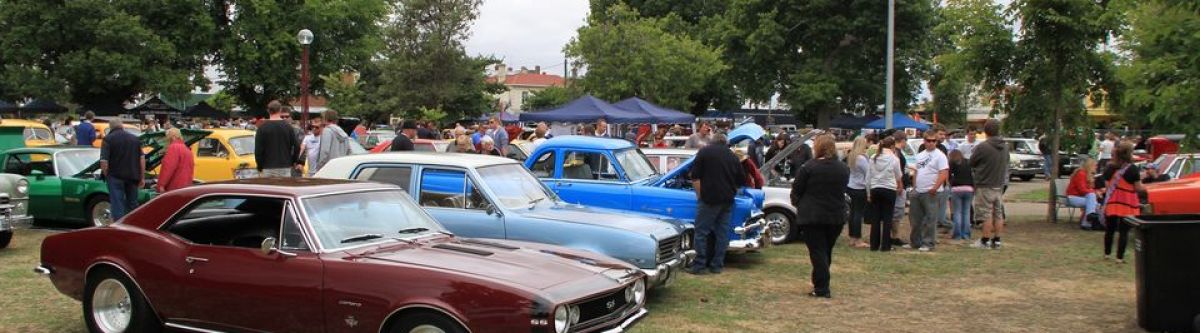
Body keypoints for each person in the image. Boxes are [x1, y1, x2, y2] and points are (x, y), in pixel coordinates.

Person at [790, 134, 850, 298]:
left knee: (817, 251)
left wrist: (799, 204)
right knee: (826, 251)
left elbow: (796, 190)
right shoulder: (843, 168)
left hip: (813, 215)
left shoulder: (809, 167)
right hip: (835, 214)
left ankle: (822, 287)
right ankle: (820, 283)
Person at [688, 134, 742, 275]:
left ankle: (699, 265)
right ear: (726, 143)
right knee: (722, 234)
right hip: (727, 200)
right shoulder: (733, 156)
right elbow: (741, 179)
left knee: (701, 232)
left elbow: (695, 176)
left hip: (709, 199)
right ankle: (717, 264)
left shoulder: (704, 152)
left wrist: (701, 196)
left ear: (712, 141)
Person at [1099, 142, 1143, 263]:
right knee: (1124, 231)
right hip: (1127, 203)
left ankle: (1107, 254)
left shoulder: (1110, 167)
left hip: (1112, 201)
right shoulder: (1133, 169)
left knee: (1110, 229)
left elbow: (1107, 185)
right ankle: (1119, 258)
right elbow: (1138, 188)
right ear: (1129, 153)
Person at [970, 119, 1010, 249]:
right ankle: (997, 240)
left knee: (986, 214)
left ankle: (985, 240)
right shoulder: (1005, 147)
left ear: (986, 131)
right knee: (998, 213)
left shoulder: (982, 147)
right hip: (999, 184)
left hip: (985, 184)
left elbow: (972, 162)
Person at [908, 131, 949, 252]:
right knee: (915, 219)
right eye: (929, 140)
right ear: (924, 141)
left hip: (931, 191)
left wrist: (935, 187)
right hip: (918, 191)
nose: (931, 143)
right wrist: (914, 188)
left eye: (933, 141)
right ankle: (915, 242)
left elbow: (944, 173)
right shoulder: (920, 155)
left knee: (930, 219)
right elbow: (916, 171)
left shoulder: (940, 156)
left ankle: (928, 243)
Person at [99, 119, 144, 220]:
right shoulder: (135, 139)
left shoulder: (108, 139)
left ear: (110, 127)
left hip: (115, 176)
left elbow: (104, 161)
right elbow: (142, 159)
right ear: (122, 126)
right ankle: (134, 225)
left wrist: (106, 174)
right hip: (133, 175)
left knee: (117, 204)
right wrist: (142, 177)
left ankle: (119, 227)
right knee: (133, 203)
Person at [867, 137, 903, 251]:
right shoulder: (894, 159)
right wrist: (899, 185)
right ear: (892, 147)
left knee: (875, 217)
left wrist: (868, 192)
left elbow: (868, 177)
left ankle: (874, 244)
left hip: (875, 188)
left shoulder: (873, 157)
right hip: (889, 189)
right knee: (888, 218)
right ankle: (886, 245)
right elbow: (898, 175)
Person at [254, 101, 300, 178]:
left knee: (270, 189)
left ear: (268, 111)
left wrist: (260, 166)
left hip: (267, 166)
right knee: (283, 189)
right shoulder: (288, 127)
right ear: (280, 110)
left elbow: (258, 150)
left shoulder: (262, 128)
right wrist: (293, 161)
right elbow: (297, 147)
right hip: (285, 166)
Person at [845, 137, 871, 248]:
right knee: (858, 214)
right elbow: (868, 174)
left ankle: (852, 238)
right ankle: (858, 239)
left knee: (853, 213)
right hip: (860, 188)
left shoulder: (851, 156)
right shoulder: (862, 158)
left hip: (851, 186)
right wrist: (869, 192)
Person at [156, 128, 195, 193]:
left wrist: (161, 185)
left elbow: (167, 168)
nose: (167, 140)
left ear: (173, 137)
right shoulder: (187, 149)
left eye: (168, 138)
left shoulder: (174, 148)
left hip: (174, 187)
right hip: (186, 186)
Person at [948, 149, 974, 241]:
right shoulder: (968, 162)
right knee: (966, 212)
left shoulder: (952, 163)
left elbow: (948, 175)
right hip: (969, 188)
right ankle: (966, 234)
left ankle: (957, 234)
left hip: (956, 188)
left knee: (957, 212)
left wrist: (951, 183)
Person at [1067, 159, 1101, 229]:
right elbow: (1082, 190)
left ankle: (1087, 223)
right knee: (1093, 199)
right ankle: (1089, 218)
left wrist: (1096, 191)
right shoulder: (1081, 173)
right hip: (1073, 197)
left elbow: (1089, 189)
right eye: (1095, 165)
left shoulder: (1088, 174)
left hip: (1082, 197)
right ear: (1090, 166)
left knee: (1095, 202)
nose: (1096, 167)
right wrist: (1094, 192)